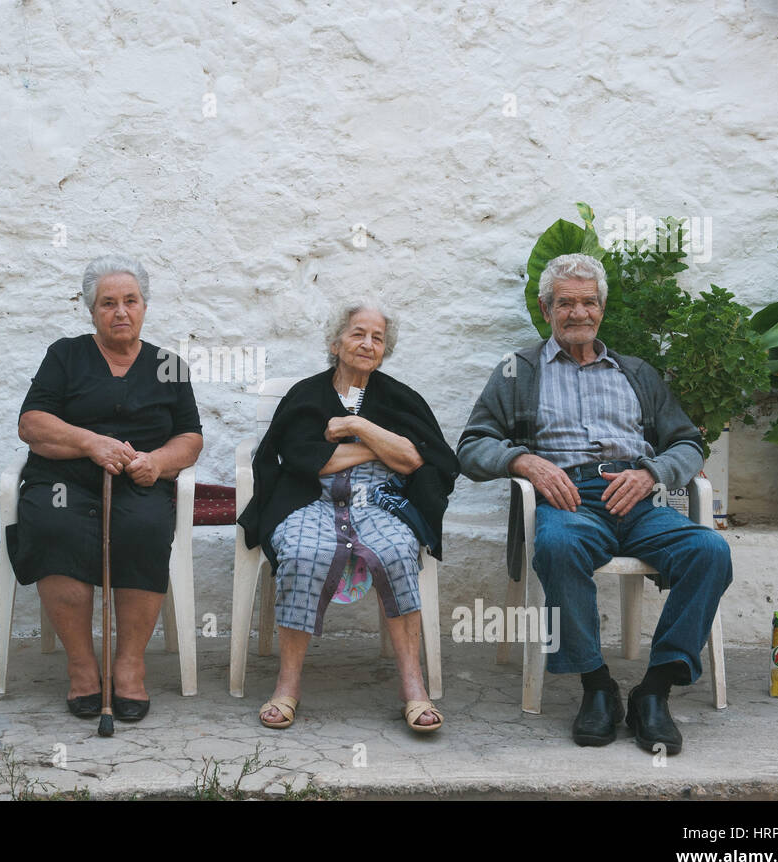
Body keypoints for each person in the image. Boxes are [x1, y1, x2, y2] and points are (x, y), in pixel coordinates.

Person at [456, 253, 732, 755]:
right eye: (566, 303)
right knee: (558, 547)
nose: (578, 312)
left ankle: (656, 689)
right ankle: (596, 684)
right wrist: (526, 463)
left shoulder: (637, 373)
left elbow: (688, 444)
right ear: (546, 309)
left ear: (602, 308)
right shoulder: (518, 371)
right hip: (568, 499)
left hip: (637, 497)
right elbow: (472, 447)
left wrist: (652, 473)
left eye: (588, 302)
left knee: (710, 552)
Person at [238, 302, 458, 733]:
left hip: (380, 501)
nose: (367, 344)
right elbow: (305, 461)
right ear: (336, 342)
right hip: (310, 501)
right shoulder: (306, 395)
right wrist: (383, 447)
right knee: (301, 552)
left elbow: (419, 459)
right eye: (358, 333)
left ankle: (414, 688)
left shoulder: (400, 398)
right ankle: (287, 686)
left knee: (397, 550)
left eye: (377, 338)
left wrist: (356, 426)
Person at [7, 256, 202, 722]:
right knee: (55, 526)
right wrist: (90, 443)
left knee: (145, 529)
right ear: (91, 311)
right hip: (63, 479)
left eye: (130, 301)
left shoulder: (168, 366)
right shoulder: (65, 355)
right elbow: (31, 424)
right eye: (107, 303)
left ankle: (130, 664)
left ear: (144, 307)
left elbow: (190, 438)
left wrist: (157, 461)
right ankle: (82, 665)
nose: (120, 312)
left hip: (140, 480)